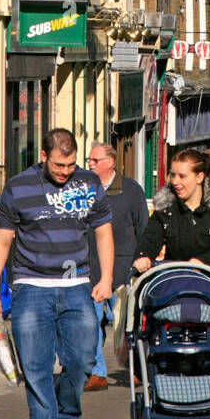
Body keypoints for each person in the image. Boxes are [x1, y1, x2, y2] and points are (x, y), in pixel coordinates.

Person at [0, 128, 113, 419]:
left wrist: (107, 278)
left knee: (83, 360)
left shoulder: (89, 184)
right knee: (36, 367)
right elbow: (2, 242)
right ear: (43, 156)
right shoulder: (17, 188)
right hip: (31, 286)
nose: (65, 172)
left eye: (70, 165)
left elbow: (103, 232)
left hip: (77, 285)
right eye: (58, 165)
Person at [85, 140, 149, 390]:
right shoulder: (84, 188)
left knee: (125, 326)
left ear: (110, 163)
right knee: (90, 324)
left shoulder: (131, 190)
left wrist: (143, 259)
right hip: (91, 267)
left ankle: (134, 369)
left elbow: (144, 226)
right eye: (89, 160)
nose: (89, 164)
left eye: (95, 160)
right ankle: (97, 373)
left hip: (123, 269)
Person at [132, 149, 210, 293]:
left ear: (199, 177)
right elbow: (151, 237)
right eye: (173, 175)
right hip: (176, 287)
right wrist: (143, 256)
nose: (175, 182)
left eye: (182, 176)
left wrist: (202, 263)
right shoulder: (166, 206)